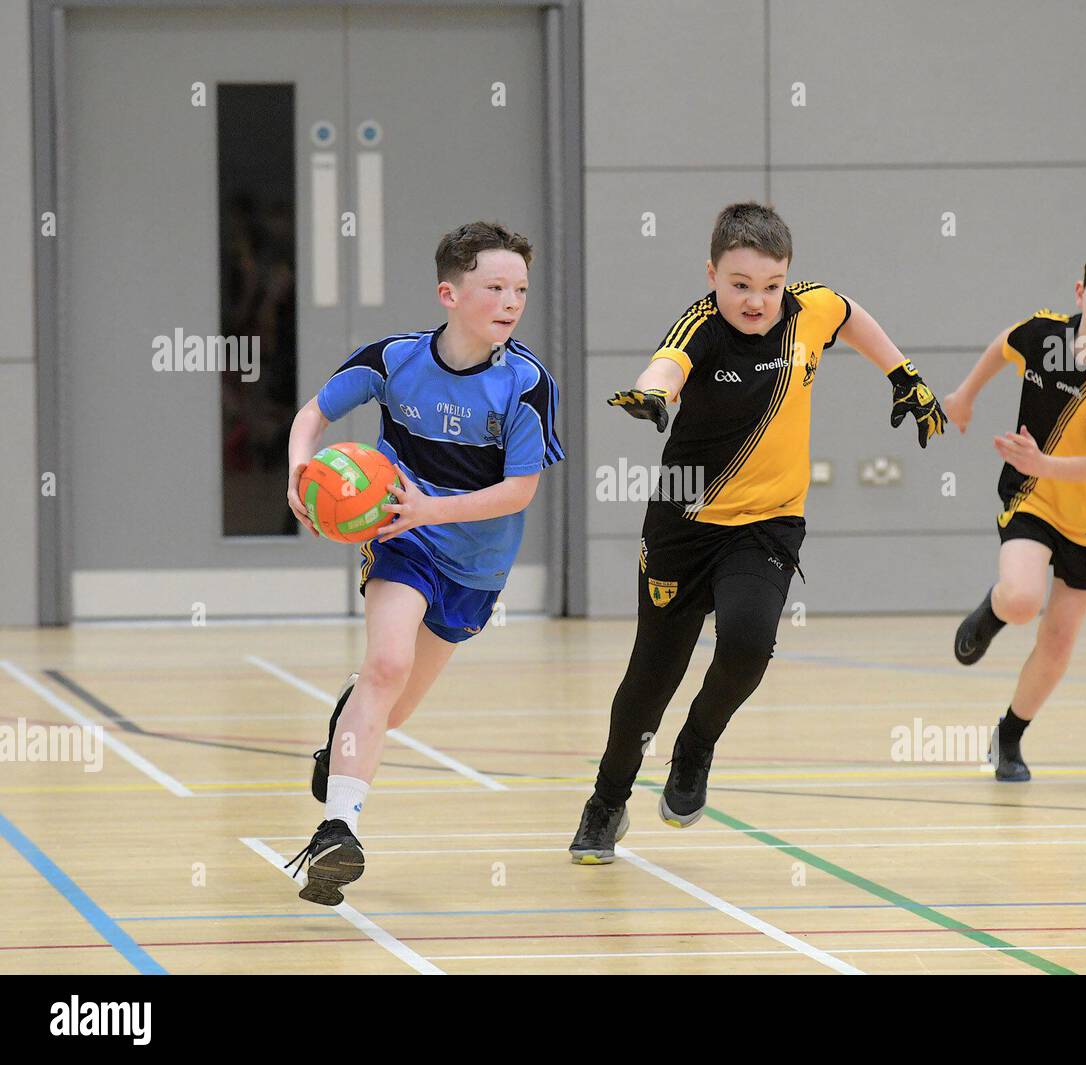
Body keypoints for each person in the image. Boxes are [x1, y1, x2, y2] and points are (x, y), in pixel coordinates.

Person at [569, 201, 947, 862]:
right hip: (684, 524)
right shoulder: (702, 326)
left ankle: (696, 745)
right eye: (740, 284)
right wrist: (654, 394)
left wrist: (903, 374)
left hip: (767, 523)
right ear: (713, 273)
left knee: (748, 642)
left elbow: (852, 314)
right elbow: (667, 364)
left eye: (771, 286)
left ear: (787, 278)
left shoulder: (812, 309)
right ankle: (607, 800)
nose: (756, 300)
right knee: (649, 682)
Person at [282, 221, 563, 904]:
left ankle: (346, 727)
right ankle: (337, 830)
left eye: (520, 289)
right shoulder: (393, 361)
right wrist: (299, 473)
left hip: (476, 564)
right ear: (449, 292)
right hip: (401, 540)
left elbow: (520, 489)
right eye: (494, 286)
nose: (510, 301)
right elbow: (314, 412)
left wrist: (432, 509)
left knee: (394, 707)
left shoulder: (525, 383)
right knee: (387, 663)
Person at [943, 238, 1086, 781]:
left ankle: (1009, 737)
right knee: (1020, 600)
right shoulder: (1043, 334)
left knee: (1058, 639)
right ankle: (993, 613)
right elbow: (1003, 345)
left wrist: (1042, 460)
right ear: (1080, 291)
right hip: (1032, 496)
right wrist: (966, 394)